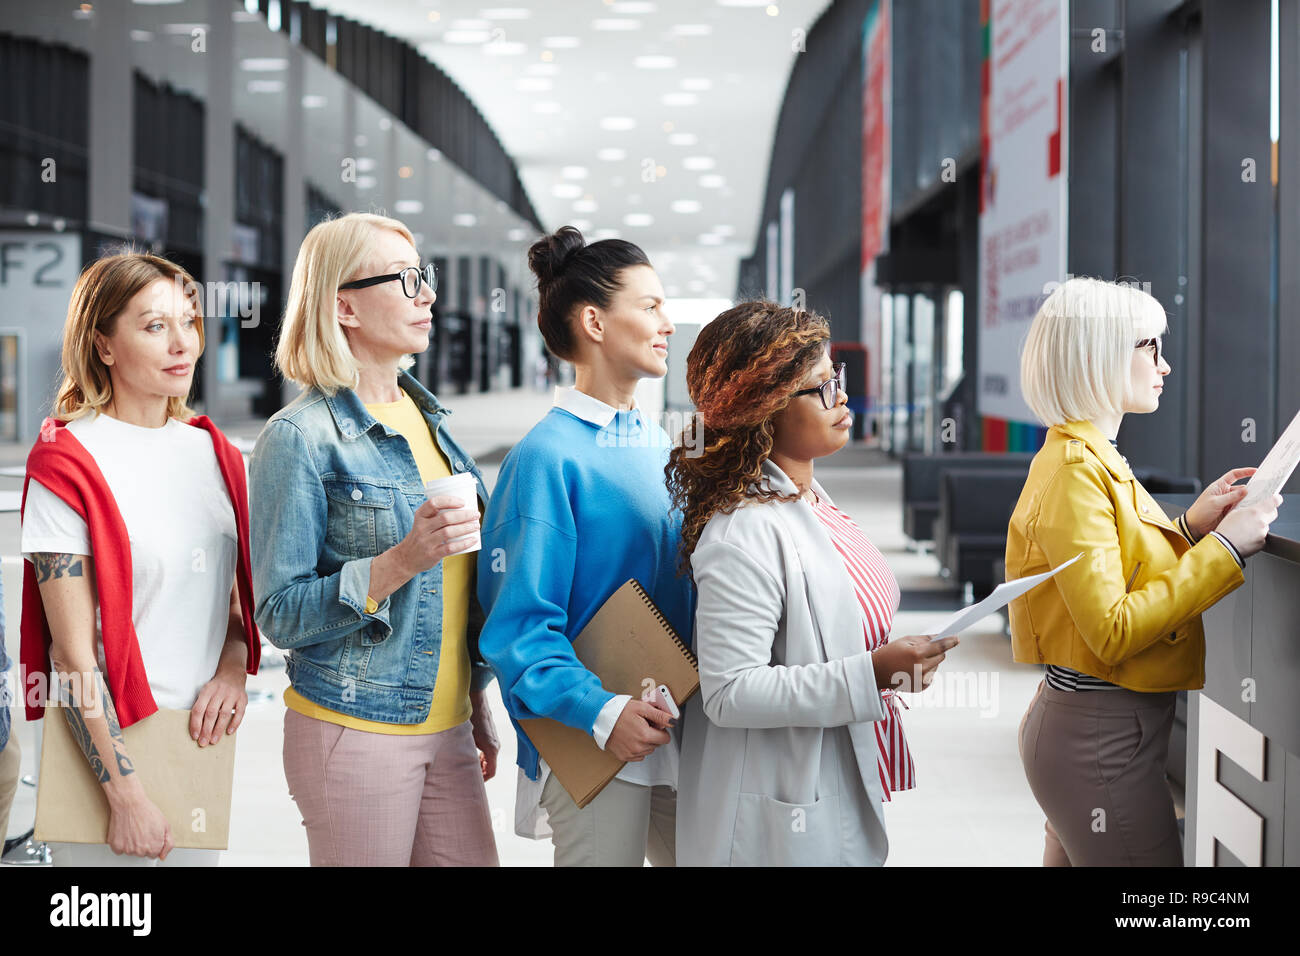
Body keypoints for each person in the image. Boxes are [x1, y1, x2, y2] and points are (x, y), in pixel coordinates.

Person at [665, 301, 956, 866]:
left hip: (830, 772)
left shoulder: (810, 500)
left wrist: (889, 667)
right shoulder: (741, 533)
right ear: (764, 409)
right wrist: (872, 673)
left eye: (838, 378)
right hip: (777, 809)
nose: (841, 397)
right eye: (820, 387)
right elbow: (730, 692)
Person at [250, 212, 499, 867]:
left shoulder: (432, 422)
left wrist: (475, 700)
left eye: (428, 279)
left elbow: (454, 592)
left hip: (446, 724)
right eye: (408, 280)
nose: (428, 296)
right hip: (353, 728)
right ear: (345, 306)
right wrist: (398, 561)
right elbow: (280, 613)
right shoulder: (299, 438)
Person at [1007, 276, 1280, 866]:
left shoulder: (1085, 457)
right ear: (1099, 357)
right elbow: (1112, 628)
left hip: (1091, 733)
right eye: (1149, 347)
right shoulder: (1079, 470)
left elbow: (1114, 569)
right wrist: (1225, 550)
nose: (1166, 365)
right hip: (1098, 740)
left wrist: (1189, 530)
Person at [18, 251, 259, 867]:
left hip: (198, 741)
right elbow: (70, 655)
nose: (182, 343)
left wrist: (233, 671)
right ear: (103, 345)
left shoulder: (218, 455)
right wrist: (124, 795)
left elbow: (238, 610)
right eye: (154, 326)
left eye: (189, 321)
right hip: (104, 750)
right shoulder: (67, 460)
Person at [477, 225, 693, 867]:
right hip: (593, 735)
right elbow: (517, 628)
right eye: (650, 306)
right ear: (595, 322)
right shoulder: (546, 459)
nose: (667, 323)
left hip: (676, 727)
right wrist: (601, 711)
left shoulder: (659, 447)